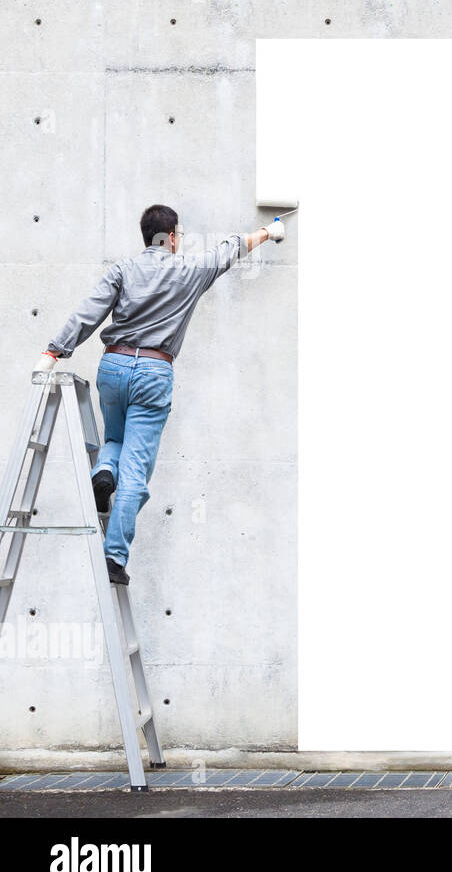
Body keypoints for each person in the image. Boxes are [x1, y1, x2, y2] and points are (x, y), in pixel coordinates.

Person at [34, 204, 285, 586]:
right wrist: (270, 231)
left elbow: (89, 312)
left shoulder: (123, 270)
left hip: (114, 368)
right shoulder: (189, 270)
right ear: (170, 237)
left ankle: (103, 470)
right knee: (136, 471)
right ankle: (114, 558)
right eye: (179, 236)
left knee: (114, 440)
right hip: (154, 372)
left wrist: (54, 351)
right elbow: (230, 249)